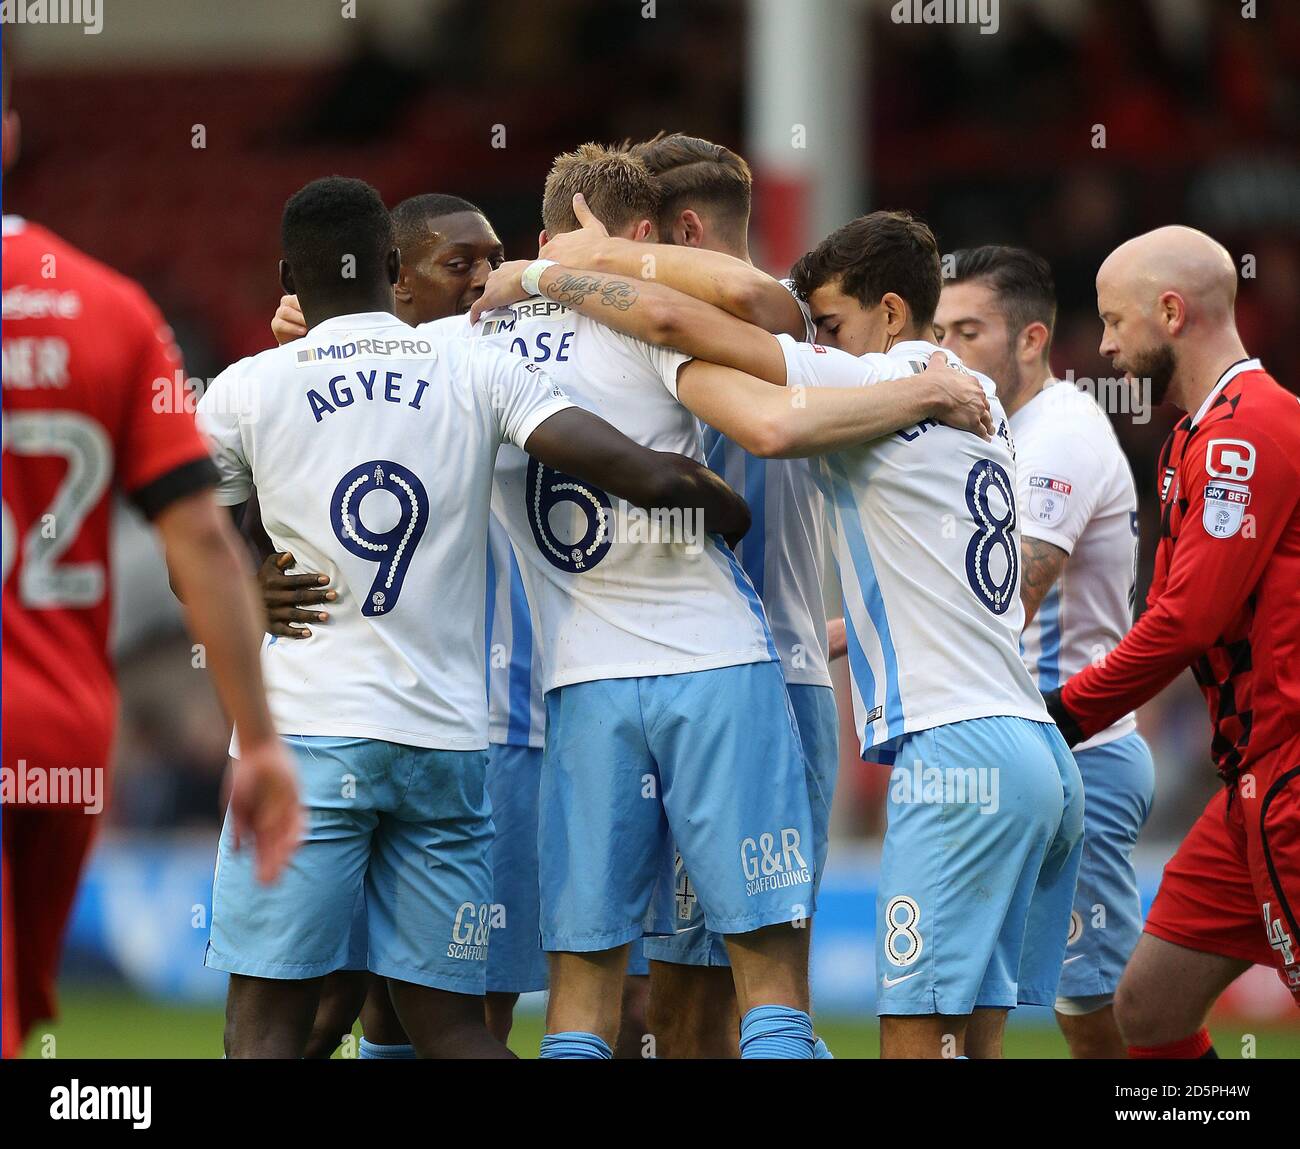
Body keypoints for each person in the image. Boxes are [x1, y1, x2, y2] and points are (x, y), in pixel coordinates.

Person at [481, 207, 1084, 1058]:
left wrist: (557, 272)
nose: (820, 341)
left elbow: (750, 404)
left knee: (911, 1040)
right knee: (968, 1046)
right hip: (1032, 751)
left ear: (891, 313)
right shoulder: (969, 388)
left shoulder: (877, 379)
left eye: (831, 324)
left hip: (957, 753)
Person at [197, 175, 748, 1058]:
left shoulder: (242, 388)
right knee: (450, 1021)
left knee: (271, 1015)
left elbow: (191, 532)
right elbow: (638, 471)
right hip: (445, 741)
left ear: (288, 279)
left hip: (305, 733)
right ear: (389, 263)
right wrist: (718, 503)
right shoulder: (478, 365)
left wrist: (243, 582)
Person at [0, 53, 300, 1060]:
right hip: (59, 735)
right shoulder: (112, 310)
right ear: (9, 134)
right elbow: (205, 538)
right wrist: (258, 739)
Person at [535, 132, 840, 1058]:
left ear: (678, 232)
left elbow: (743, 299)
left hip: (759, 677)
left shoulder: (771, 316)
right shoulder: (647, 329)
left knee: (717, 1001)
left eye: (643, 241)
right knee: (673, 1005)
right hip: (700, 673)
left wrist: (580, 263)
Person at [1044, 225, 1300, 1059]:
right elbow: (1171, 613)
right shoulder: (1191, 437)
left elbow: (1184, 618)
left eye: (1116, 321)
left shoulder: (1244, 430)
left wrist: (1065, 713)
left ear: (1171, 311)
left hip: (1291, 771)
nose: (1107, 344)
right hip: (1247, 786)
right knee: (1148, 1008)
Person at [934, 245, 1154, 1059]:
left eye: (968, 330)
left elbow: (1012, 593)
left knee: (1095, 1008)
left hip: (1080, 749)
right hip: (1017, 745)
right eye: (938, 330)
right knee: (969, 990)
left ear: (1030, 339)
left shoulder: (1059, 431)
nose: (947, 350)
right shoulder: (999, 430)